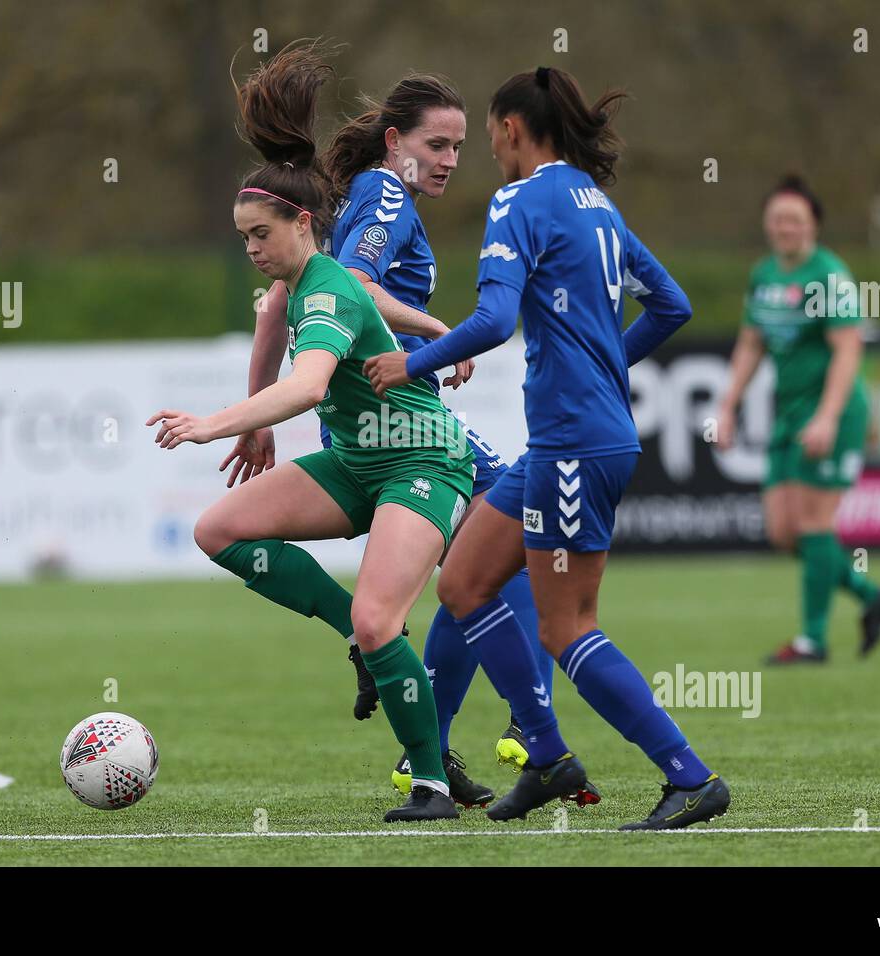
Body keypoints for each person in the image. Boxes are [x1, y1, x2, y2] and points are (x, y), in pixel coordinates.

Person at [365, 65, 729, 830]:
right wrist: (602, 368)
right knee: (462, 582)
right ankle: (547, 755)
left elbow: (495, 321)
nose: (486, 151)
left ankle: (689, 776)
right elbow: (671, 304)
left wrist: (412, 360)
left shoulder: (520, 200)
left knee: (567, 627)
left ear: (514, 130)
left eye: (490, 135)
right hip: (566, 440)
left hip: (573, 446)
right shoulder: (598, 205)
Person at [223, 69, 593, 808]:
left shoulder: (359, 195)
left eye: (460, 146)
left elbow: (275, 311)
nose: (452, 159)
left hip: (385, 415)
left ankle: (440, 744)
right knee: (499, 546)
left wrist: (261, 413)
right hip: (400, 418)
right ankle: (523, 729)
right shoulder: (385, 194)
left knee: (478, 566)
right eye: (437, 144)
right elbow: (356, 287)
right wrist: (442, 335)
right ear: (395, 142)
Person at [148, 42, 472, 821]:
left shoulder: (320, 293)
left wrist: (214, 423)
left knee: (381, 612)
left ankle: (430, 782)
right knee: (219, 529)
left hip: (420, 462)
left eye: (260, 235)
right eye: (243, 239)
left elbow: (310, 384)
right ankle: (359, 647)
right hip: (357, 461)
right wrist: (432, 323)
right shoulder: (307, 280)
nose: (251, 250)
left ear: (300, 223)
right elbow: (359, 302)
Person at [716, 174, 880, 664]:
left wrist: (827, 418)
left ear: (813, 223)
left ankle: (812, 640)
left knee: (815, 523)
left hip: (832, 413)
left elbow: (847, 350)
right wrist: (727, 404)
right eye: (777, 219)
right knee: (783, 532)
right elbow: (752, 342)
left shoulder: (828, 276)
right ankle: (868, 594)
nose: (784, 227)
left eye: (794, 219)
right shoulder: (764, 275)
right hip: (788, 414)